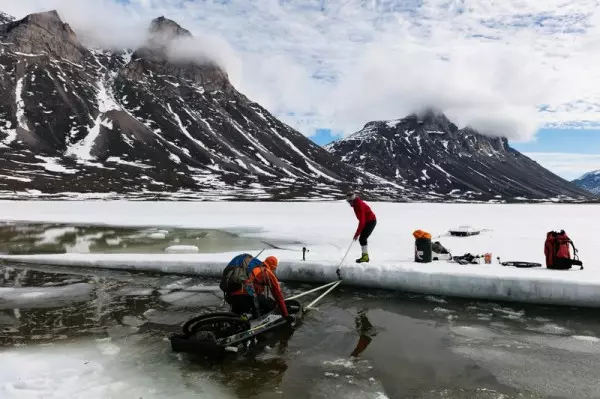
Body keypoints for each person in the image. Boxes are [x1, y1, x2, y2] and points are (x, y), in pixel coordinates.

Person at [225, 255, 292, 321]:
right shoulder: (266, 272)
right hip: (245, 299)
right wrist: (285, 315)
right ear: (273, 266)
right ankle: (257, 320)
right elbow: (278, 295)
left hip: (231, 298)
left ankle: (241, 320)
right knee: (271, 304)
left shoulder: (251, 268)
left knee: (236, 318)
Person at [346, 191, 377, 263]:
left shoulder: (358, 205)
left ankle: (365, 257)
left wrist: (357, 234)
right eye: (348, 201)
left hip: (371, 221)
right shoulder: (355, 204)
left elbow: (362, 222)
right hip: (367, 221)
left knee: (362, 238)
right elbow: (362, 220)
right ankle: (365, 256)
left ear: (353, 200)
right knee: (362, 239)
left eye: (350, 201)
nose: (350, 203)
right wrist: (357, 233)